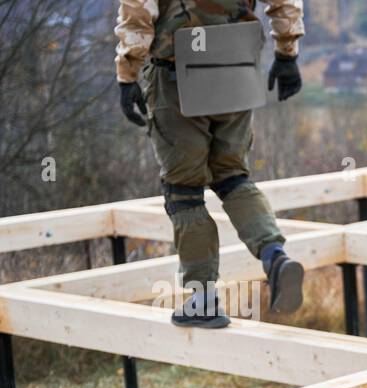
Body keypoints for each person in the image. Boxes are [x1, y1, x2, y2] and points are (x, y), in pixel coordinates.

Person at [115, 0, 306, 327]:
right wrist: (287, 54)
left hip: (177, 72)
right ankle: (275, 257)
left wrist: (128, 72)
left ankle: (202, 299)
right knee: (232, 176)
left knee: (183, 190)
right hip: (236, 62)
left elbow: (137, 10)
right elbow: (285, 3)